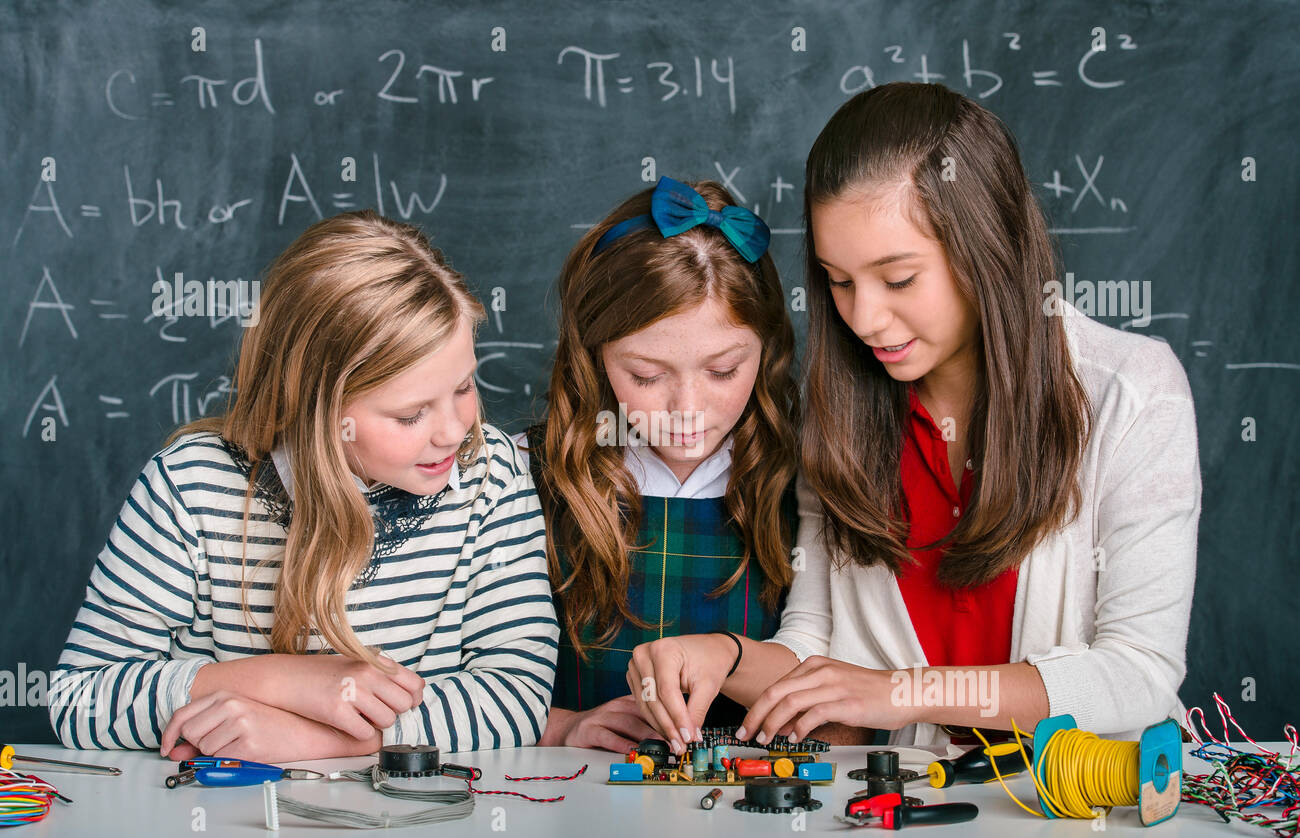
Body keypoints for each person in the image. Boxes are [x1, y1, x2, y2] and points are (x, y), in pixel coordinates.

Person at [629, 83, 1202, 752]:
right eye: (838, 281)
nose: (864, 317)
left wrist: (903, 691)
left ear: (990, 247)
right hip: (909, 820)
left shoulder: (1133, 393)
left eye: (898, 278)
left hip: (1083, 827)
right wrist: (724, 657)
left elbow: (1138, 672)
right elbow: (813, 652)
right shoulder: (838, 417)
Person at [48, 210, 559, 763]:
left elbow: (517, 696)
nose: (455, 431)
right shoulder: (190, 486)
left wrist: (322, 740)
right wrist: (281, 681)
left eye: (464, 386)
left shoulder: (492, 475)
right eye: (411, 415)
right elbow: (80, 699)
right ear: (319, 411)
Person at [515, 178, 800, 754]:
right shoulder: (519, 474)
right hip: (571, 808)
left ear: (766, 349)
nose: (686, 410)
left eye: (722, 371)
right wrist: (561, 727)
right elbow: (452, 680)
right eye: (645, 376)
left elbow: (844, 684)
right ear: (592, 355)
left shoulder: (809, 484)